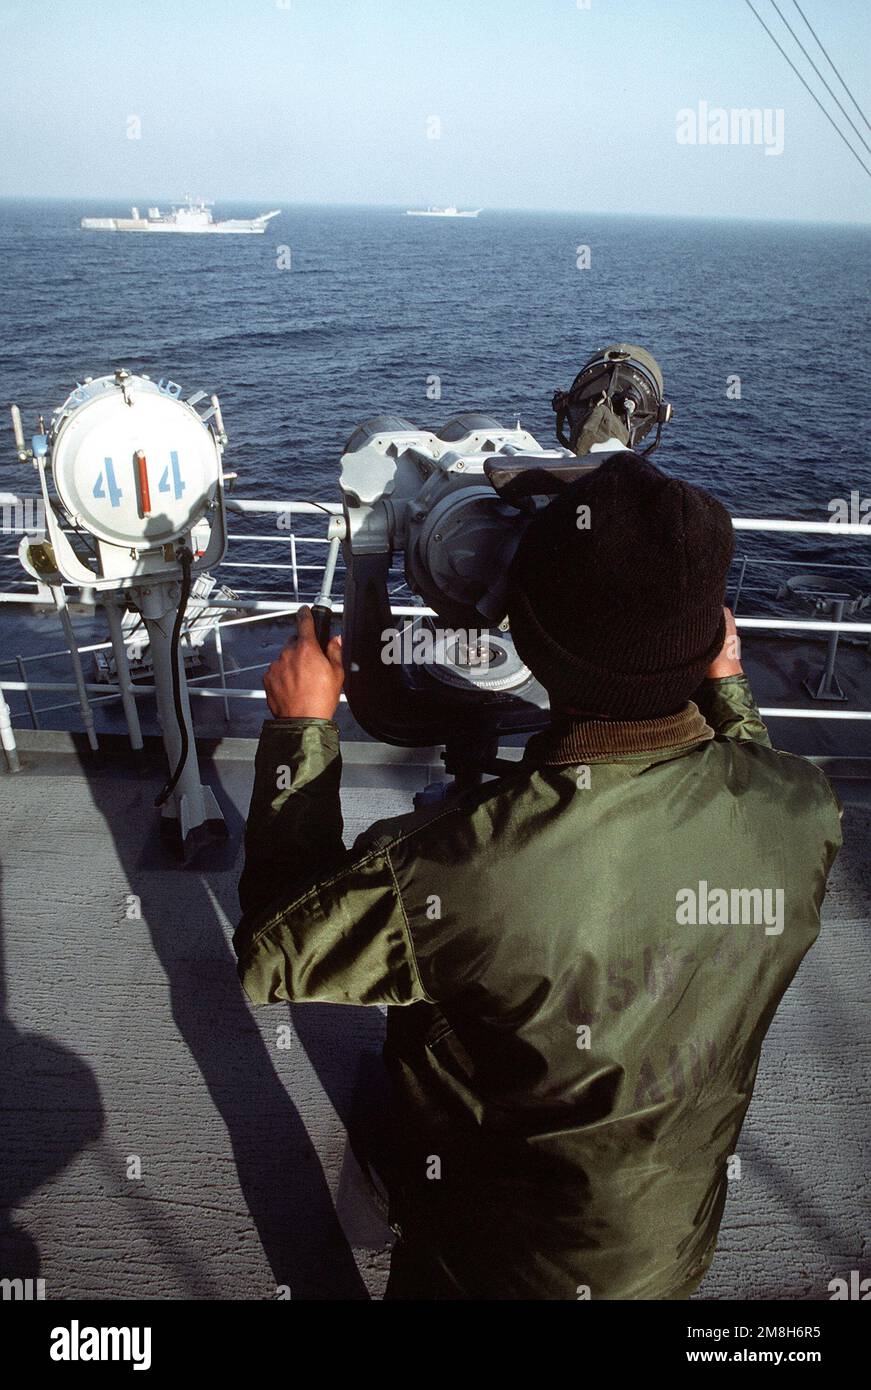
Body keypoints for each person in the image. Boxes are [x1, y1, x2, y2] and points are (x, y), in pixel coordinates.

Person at [233, 451, 842, 1300]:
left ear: (521, 637)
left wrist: (302, 731)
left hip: (492, 1266)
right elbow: (745, 760)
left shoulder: (458, 866)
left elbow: (272, 948)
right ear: (713, 637)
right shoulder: (802, 810)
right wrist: (727, 687)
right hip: (670, 1247)